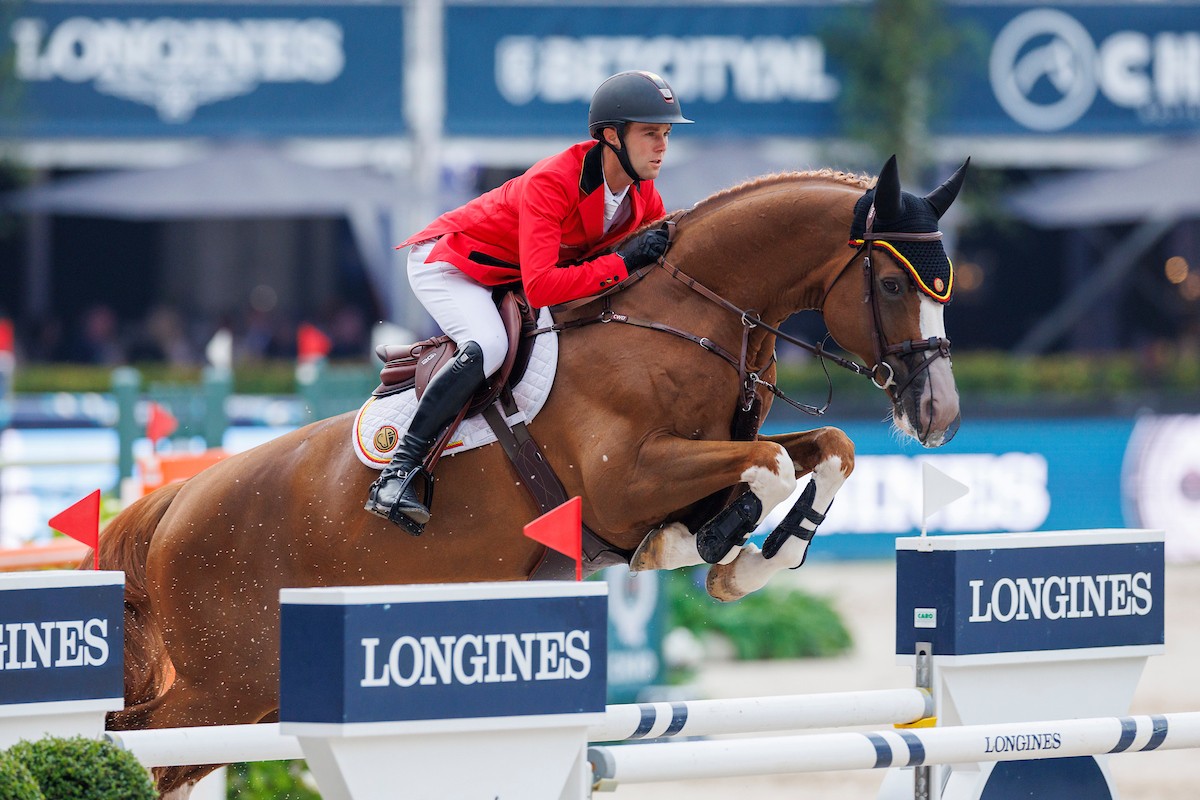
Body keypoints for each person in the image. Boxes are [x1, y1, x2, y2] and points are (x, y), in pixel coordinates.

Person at [365, 69, 693, 533]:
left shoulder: (642, 196)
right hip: (451, 264)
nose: (662, 146)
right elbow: (542, 287)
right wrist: (622, 264)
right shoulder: (553, 181)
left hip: (506, 274)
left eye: (665, 135)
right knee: (490, 345)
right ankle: (397, 472)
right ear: (608, 136)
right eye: (649, 134)